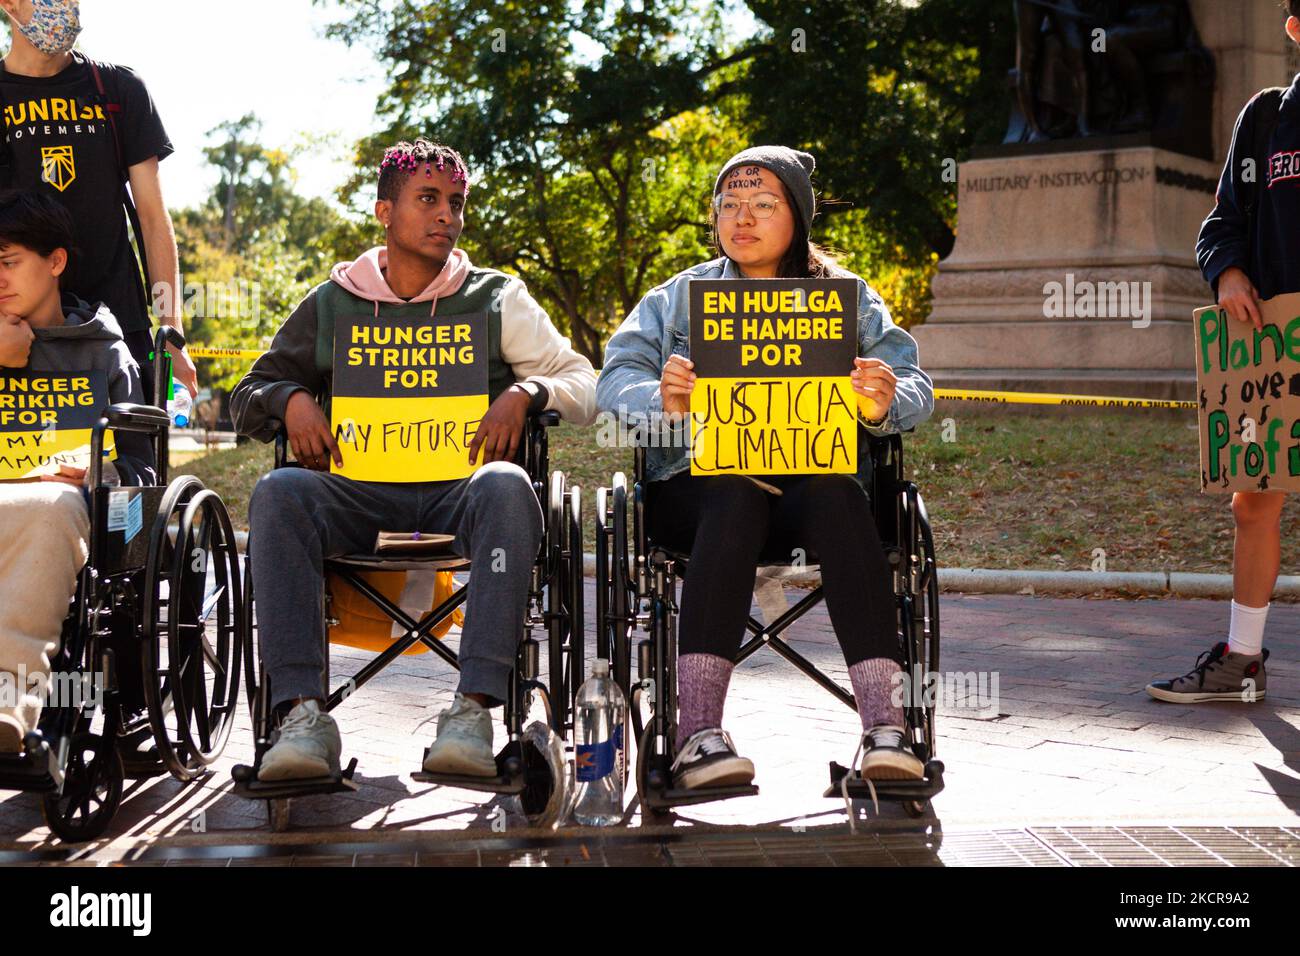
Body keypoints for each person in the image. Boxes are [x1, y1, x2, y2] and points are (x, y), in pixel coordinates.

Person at [231, 138, 597, 781]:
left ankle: (473, 713)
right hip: (357, 495)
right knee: (279, 492)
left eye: (456, 203)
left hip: (461, 494)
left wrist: (526, 390)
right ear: (383, 211)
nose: (446, 216)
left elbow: (583, 382)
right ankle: (303, 719)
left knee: (510, 484)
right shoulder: (332, 302)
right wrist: (289, 399)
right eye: (428, 199)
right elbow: (248, 392)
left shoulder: (496, 297)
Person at [596, 146, 935, 789]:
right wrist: (659, 401)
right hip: (700, 494)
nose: (741, 218)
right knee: (736, 491)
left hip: (814, 494)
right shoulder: (676, 301)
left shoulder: (849, 301)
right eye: (729, 205)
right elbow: (613, 379)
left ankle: (886, 731)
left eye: (762, 205)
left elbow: (918, 385)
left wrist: (885, 400)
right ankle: (698, 735)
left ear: (798, 219)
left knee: (838, 494)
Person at [1148, 2, 1300, 703]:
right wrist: (1229, 271)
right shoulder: (1266, 119)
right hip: (1275, 345)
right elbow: (1221, 224)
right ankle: (1242, 659)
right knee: (1253, 502)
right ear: (1295, 29)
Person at [0, 188, 153, 751]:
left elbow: (143, 475)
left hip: (69, 516)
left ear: (56, 261)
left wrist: (101, 474)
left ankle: (9, 704)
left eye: (8, 262)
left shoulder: (105, 353)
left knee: (52, 507)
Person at [0, 0, 196, 400]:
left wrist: (170, 331)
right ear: (9, 5)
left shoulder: (119, 89)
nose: (65, 8)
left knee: (132, 460)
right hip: (18, 333)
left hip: (118, 330)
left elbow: (154, 221)